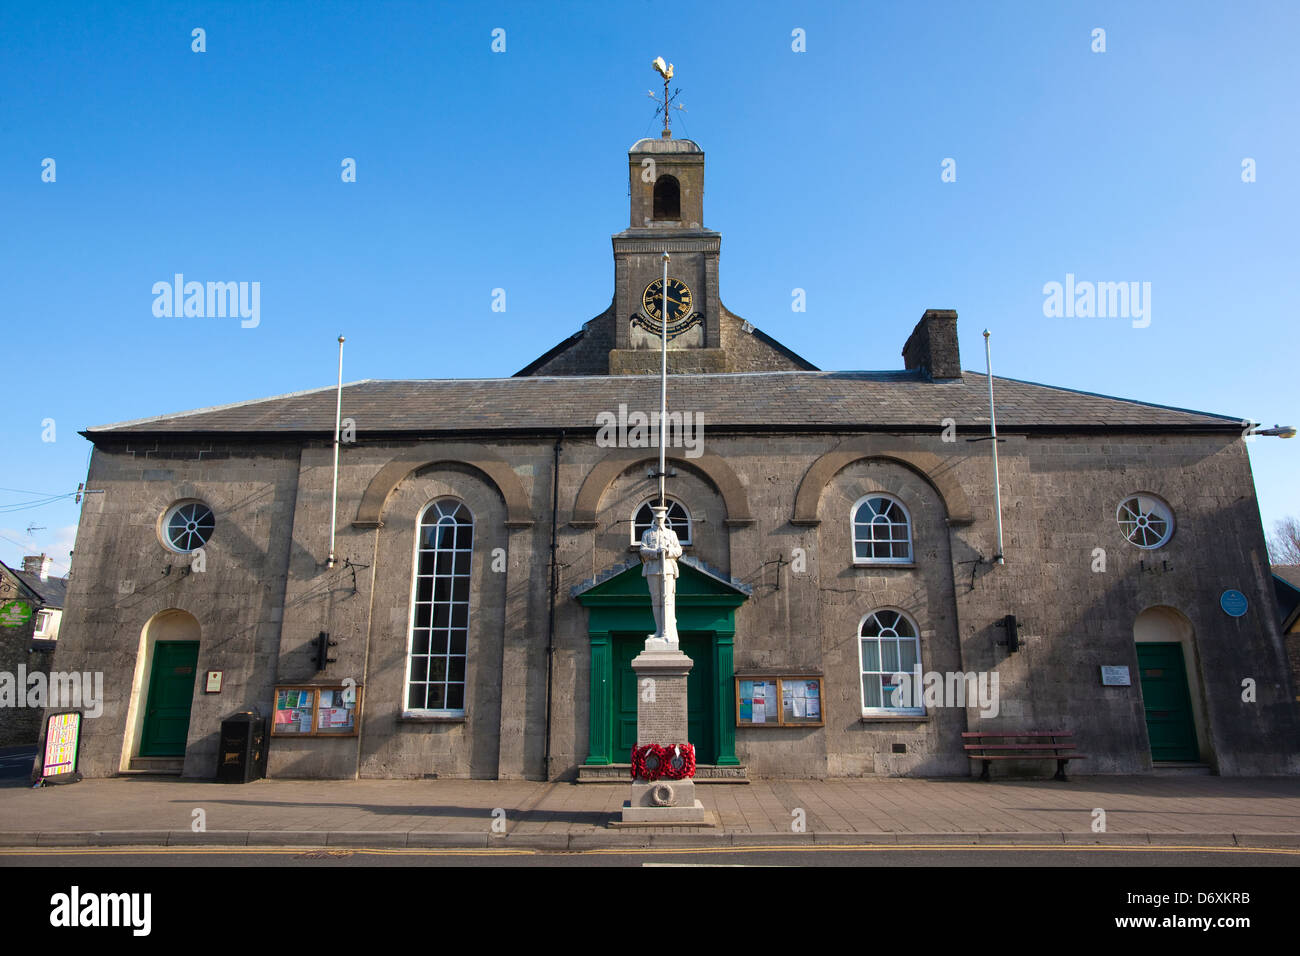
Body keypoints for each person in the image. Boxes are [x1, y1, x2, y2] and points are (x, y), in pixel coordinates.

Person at [639, 505, 682, 646]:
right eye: (657, 518)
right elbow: (642, 550)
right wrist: (655, 552)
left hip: (668, 569)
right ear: (654, 518)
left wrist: (668, 551)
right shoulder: (647, 533)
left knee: (667, 600)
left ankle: (666, 631)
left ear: (665, 518)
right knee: (656, 601)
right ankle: (658, 631)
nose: (659, 520)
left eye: (661, 518)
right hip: (653, 569)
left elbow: (678, 551)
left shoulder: (671, 533)